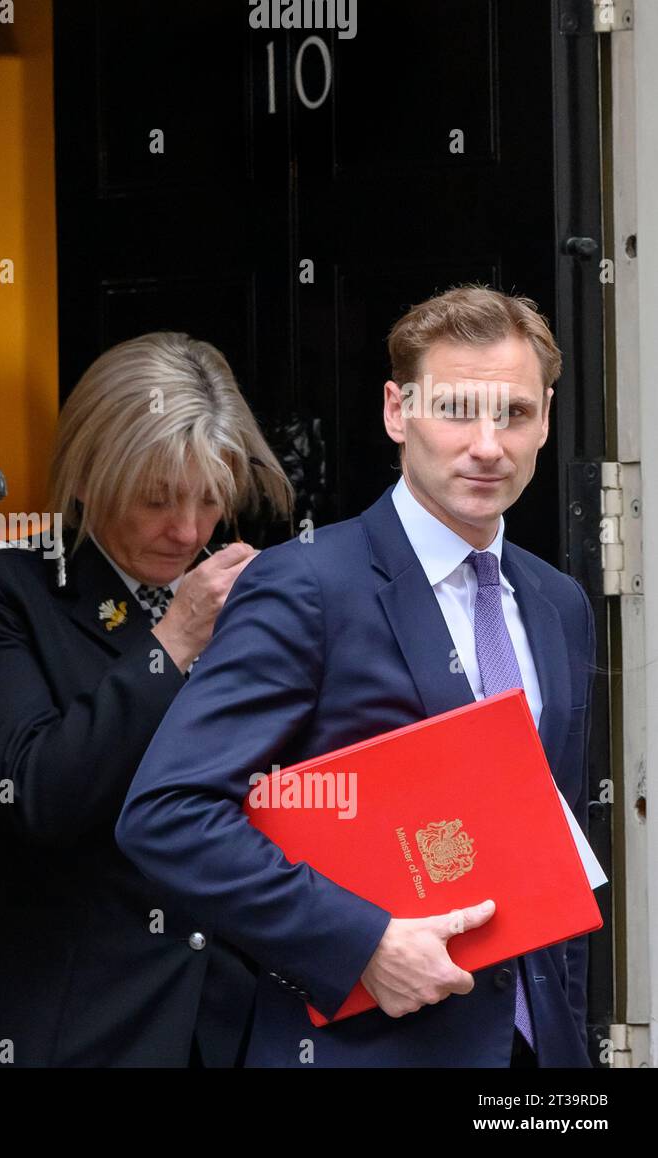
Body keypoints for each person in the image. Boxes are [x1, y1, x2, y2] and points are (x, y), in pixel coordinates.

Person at [116, 286, 596, 1068]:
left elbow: (557, 855)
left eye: (512, 413)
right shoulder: (308, 586)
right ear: (396, 412)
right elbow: (168, 813)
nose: (488, 445)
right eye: (456, 410)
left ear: (544, 415)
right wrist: (363, 943)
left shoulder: (558, 603)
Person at [0, 331, 292, 1066]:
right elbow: (36, 794)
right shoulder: (8, 587)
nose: (186, 530)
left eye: (211, 500)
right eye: (156, 500)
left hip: (237, 1022)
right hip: (87, 1025)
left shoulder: (250, 597)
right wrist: (174, 639)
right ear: (88, 478)